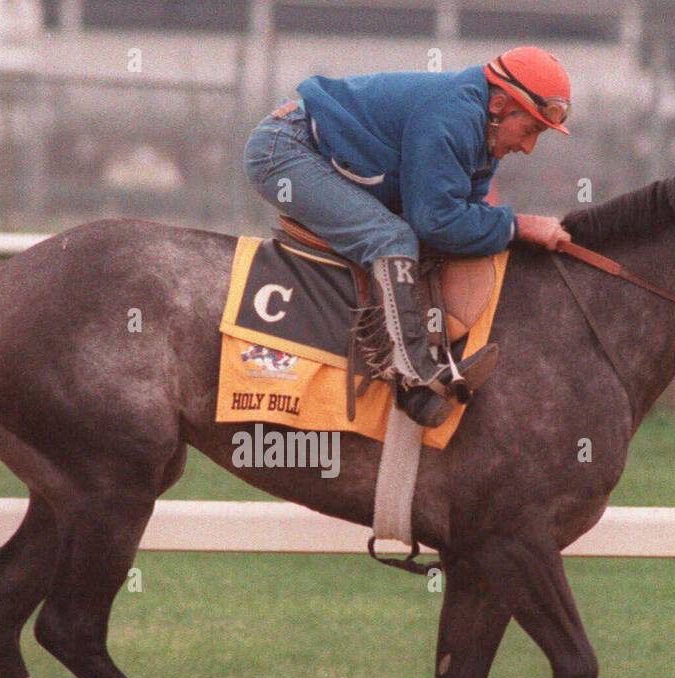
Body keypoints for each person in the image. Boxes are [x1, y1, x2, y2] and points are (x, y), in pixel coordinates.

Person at [243, 46, 573, 428]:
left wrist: (500, 228)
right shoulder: (455, 116)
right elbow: (434, 220)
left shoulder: (482, 133)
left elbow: (460, 227)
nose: (529, 147)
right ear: (499, 103)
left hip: (309, 148)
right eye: (530, 129)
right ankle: (412, 378)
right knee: (391, 239)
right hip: (283, 150)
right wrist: (518, 226)